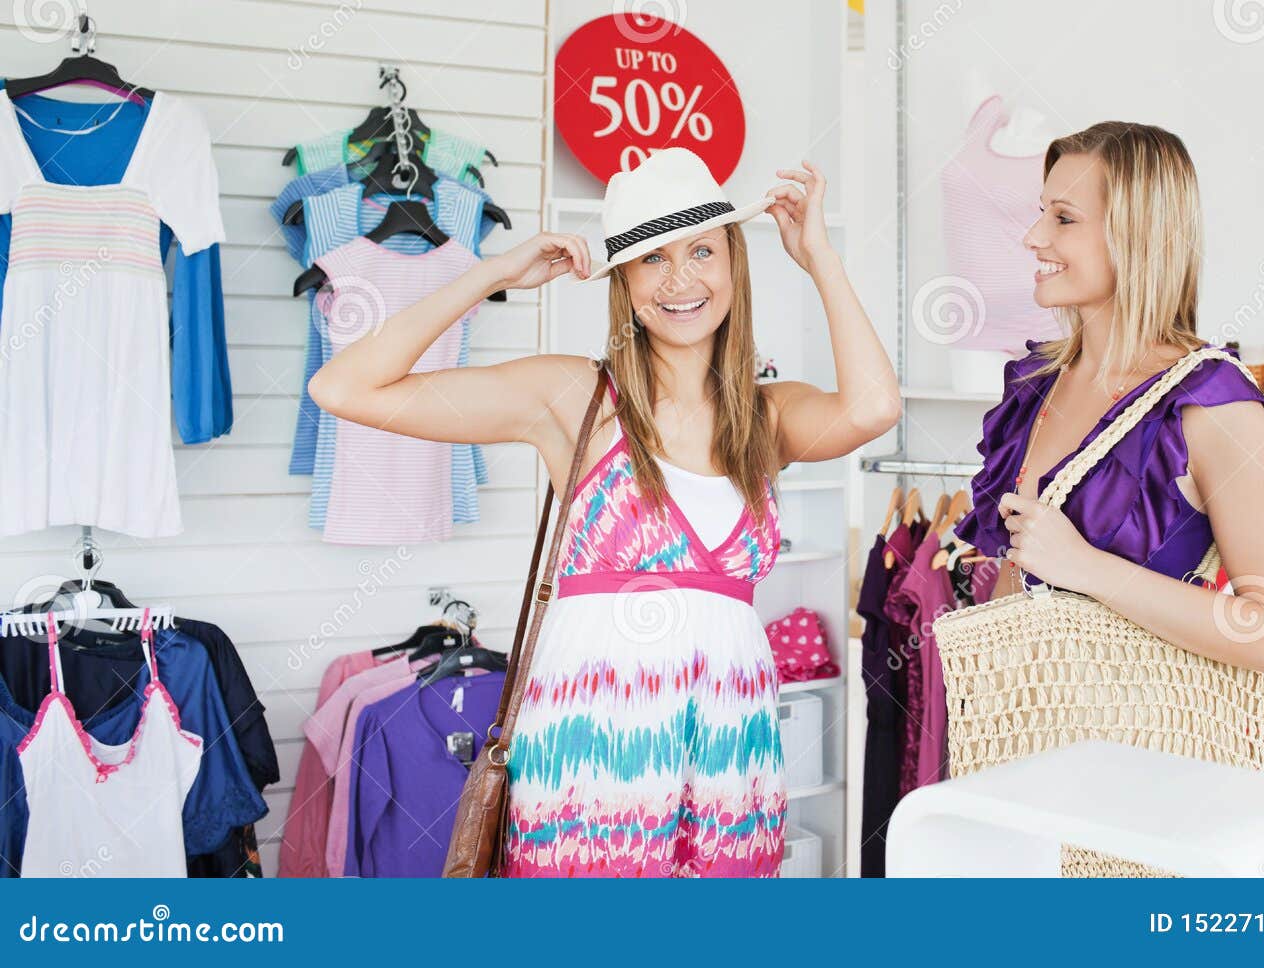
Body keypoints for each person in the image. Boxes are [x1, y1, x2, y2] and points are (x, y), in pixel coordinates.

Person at [309, 147, 900, 876]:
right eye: (653, 259)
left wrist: (820, 260)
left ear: (733, 264)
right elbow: (344, 388)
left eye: (702, 252)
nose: (680, 280)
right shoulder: (573, 399)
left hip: (729, 758)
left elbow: (875, 407)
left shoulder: (764, 417)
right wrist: (492, 275)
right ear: (624, 281)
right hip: (592, 762)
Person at [953, 122, 1264, 679]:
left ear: (1137, 236)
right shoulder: (1037, 385)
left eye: (1063, 218)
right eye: (1042, 212)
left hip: (1142, 730)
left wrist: (1087, 567)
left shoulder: (1209, 403)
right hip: (1024, 724)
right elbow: (1017, 577)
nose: (1033, 237)